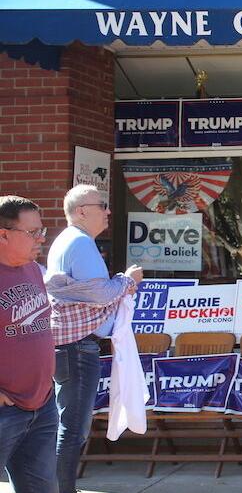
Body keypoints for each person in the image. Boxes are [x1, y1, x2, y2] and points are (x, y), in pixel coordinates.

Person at [47, 185, 142, 493]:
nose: (108, 211)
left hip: (69, 346)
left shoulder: (69, 241)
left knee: (67, 424)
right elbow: (100, 293)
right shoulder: (79, 242)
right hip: (76, 347)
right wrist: (128, 280)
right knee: (72, 428)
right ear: (82, 211)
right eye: (103, 205)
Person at [0, 196, 58, 493]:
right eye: (32, 232)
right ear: (3, 234)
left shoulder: (33, 269)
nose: (41, 239)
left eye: (41, 231)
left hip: (43, 404)